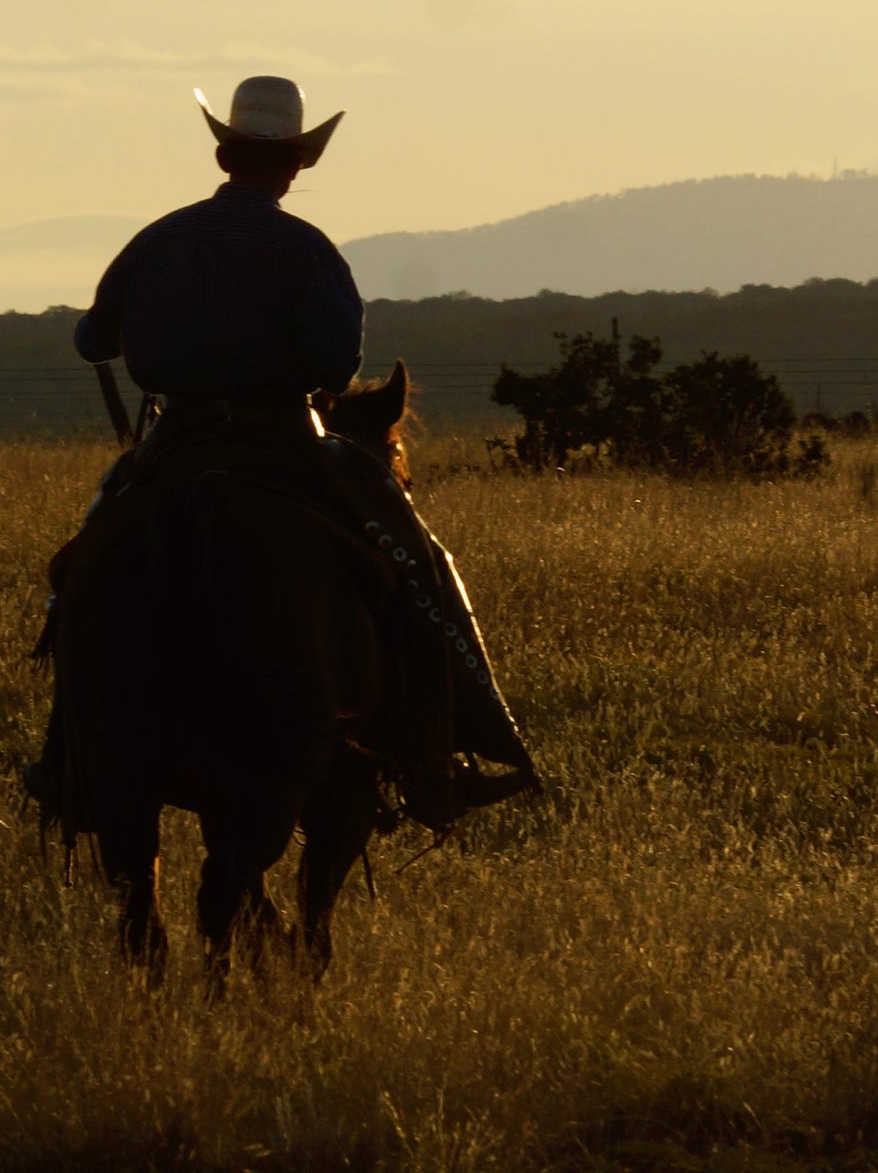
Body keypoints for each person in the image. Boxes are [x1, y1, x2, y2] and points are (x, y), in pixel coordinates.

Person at [28, 76, 537, 833]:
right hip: (284, 440)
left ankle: (65, 760)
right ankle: (437, 759)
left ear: (223, 151)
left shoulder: (157, 239)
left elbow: (91, 340)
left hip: (176, 441)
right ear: (296, 164)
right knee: (413, 559)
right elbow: (334, 367)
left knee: (81, 569)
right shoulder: (307, 249)